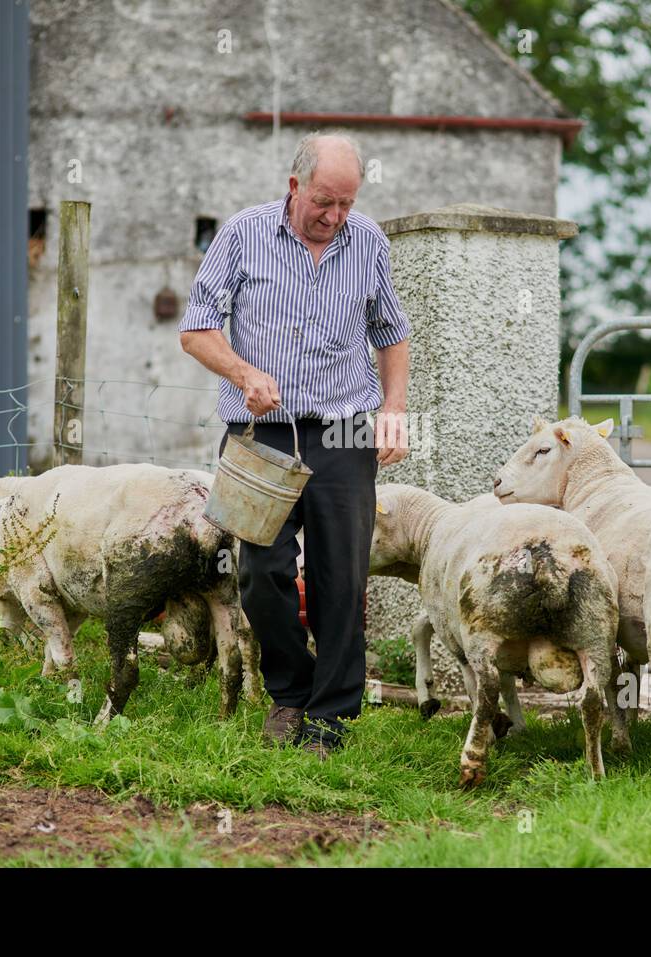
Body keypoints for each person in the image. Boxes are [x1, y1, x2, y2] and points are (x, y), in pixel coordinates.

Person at [178, 131, 411, 757]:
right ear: (294, 186)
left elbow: (392, 332)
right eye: (324, 203)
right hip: (262, 433)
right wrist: (243, 373)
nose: (335, 217)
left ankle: (331, 716)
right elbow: (196, 329)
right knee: (259, 572)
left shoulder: (368, 243)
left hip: (343, 429)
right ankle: (291, 691)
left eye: (346, 204)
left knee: (341, 576)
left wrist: (393, 410)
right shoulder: (242, 234)